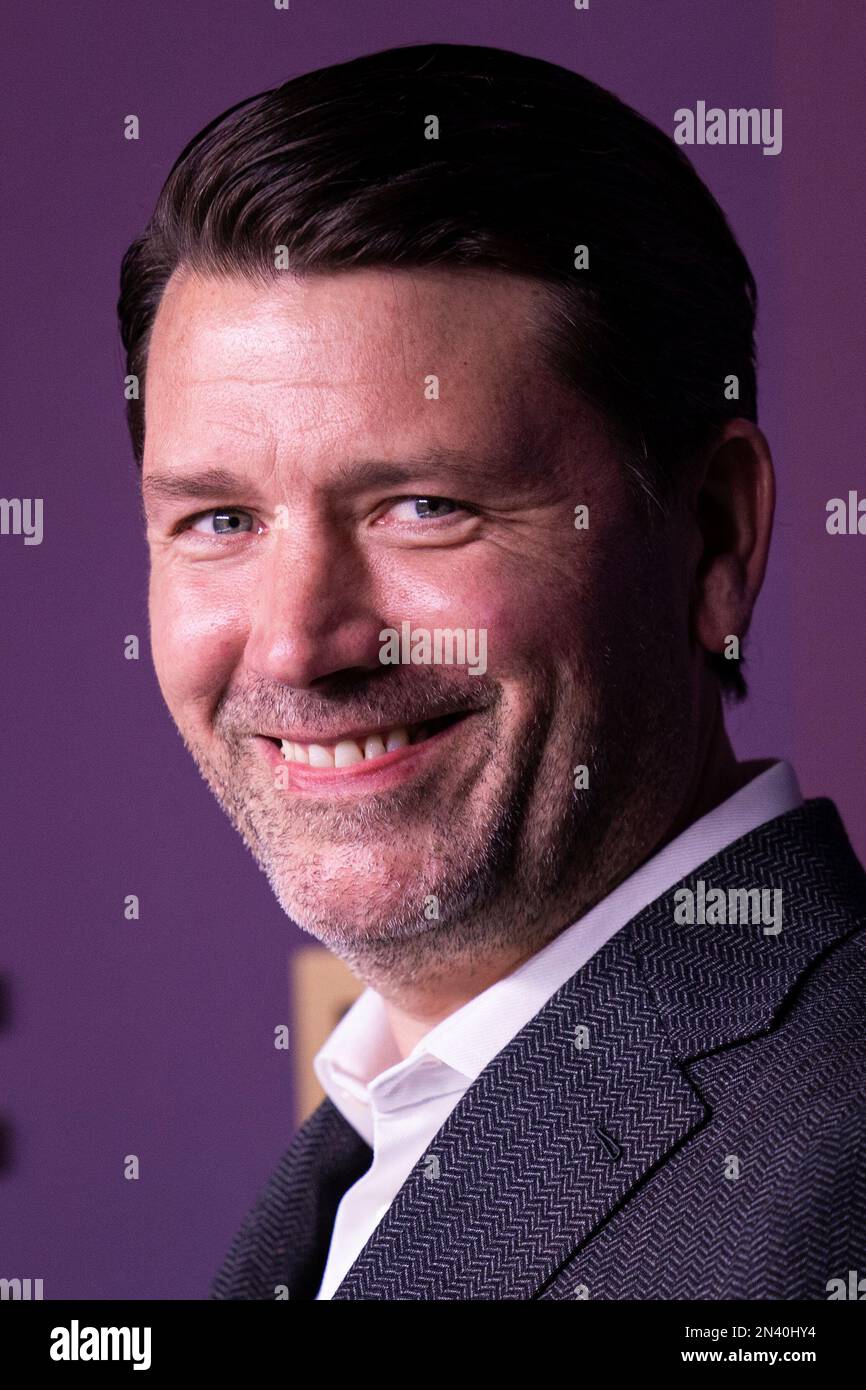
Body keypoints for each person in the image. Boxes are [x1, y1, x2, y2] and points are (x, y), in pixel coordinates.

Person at [117, 43, 866, 1300]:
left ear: (715, 539)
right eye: (221, 522)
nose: (299, 642)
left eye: (423, 505)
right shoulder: (378, 1139)